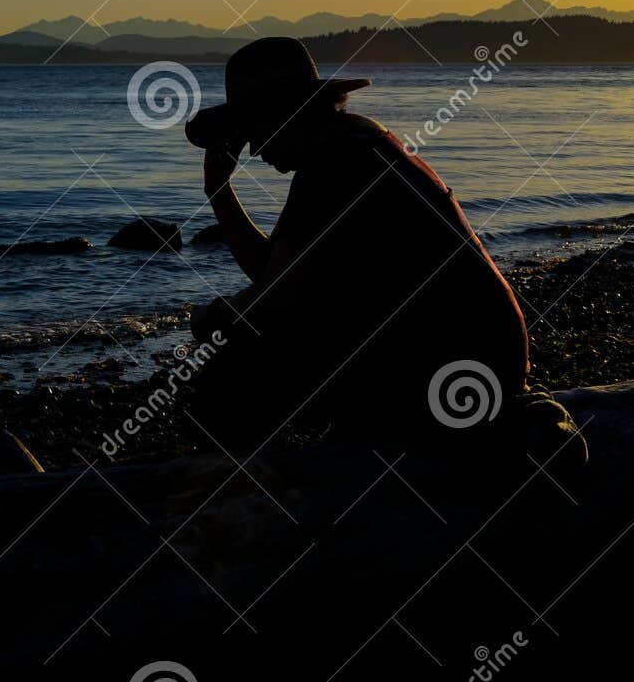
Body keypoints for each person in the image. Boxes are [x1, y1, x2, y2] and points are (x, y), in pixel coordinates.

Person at [185, 36, 584, 460]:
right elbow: (275, 274)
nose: (253, 149)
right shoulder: (353, 146)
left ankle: (272, 500)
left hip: (458, 369)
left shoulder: (337, 164)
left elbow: (275, 297)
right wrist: (219, 191)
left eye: (254, 130)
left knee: (228, 367)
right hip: (481, 365)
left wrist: (214, 316)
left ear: (287, 115)